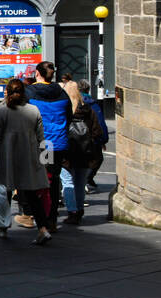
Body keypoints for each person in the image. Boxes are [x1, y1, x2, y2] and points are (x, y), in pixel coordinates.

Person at [0, 79, 53, 244]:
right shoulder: (33, 110)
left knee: (4, 193)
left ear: (7, 91)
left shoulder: (0, 110)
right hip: (29, 158)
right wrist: (47, 161)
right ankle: (43, 229)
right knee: (32, 195)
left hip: (6, 157)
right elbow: (42, 138)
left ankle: (2, 227)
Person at [26, 61, 72, 231]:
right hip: (58, 143)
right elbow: (69, 115)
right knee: (53, 181)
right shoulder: (62, 93)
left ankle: (37, 216)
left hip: (41, 142)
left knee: (38, 180)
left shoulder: (30, 92)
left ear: (37, 73)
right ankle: (51, 217)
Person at [61, 80, 106, 225]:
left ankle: (72, 210)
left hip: (67, 152)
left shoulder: (63, 110)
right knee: (80, 183)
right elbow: (97, 132)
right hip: (85, 153)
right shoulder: (88, 109)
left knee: (67, 181)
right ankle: (79, 210)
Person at [82, 84, 109, 192]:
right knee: (97, 159)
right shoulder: (93, 104)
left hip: (76, 138)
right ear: (88, 89)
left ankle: (86, 180)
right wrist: (103, 139)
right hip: (92, 138)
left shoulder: (72, 101)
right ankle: (86, 179)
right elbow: (100, 123)